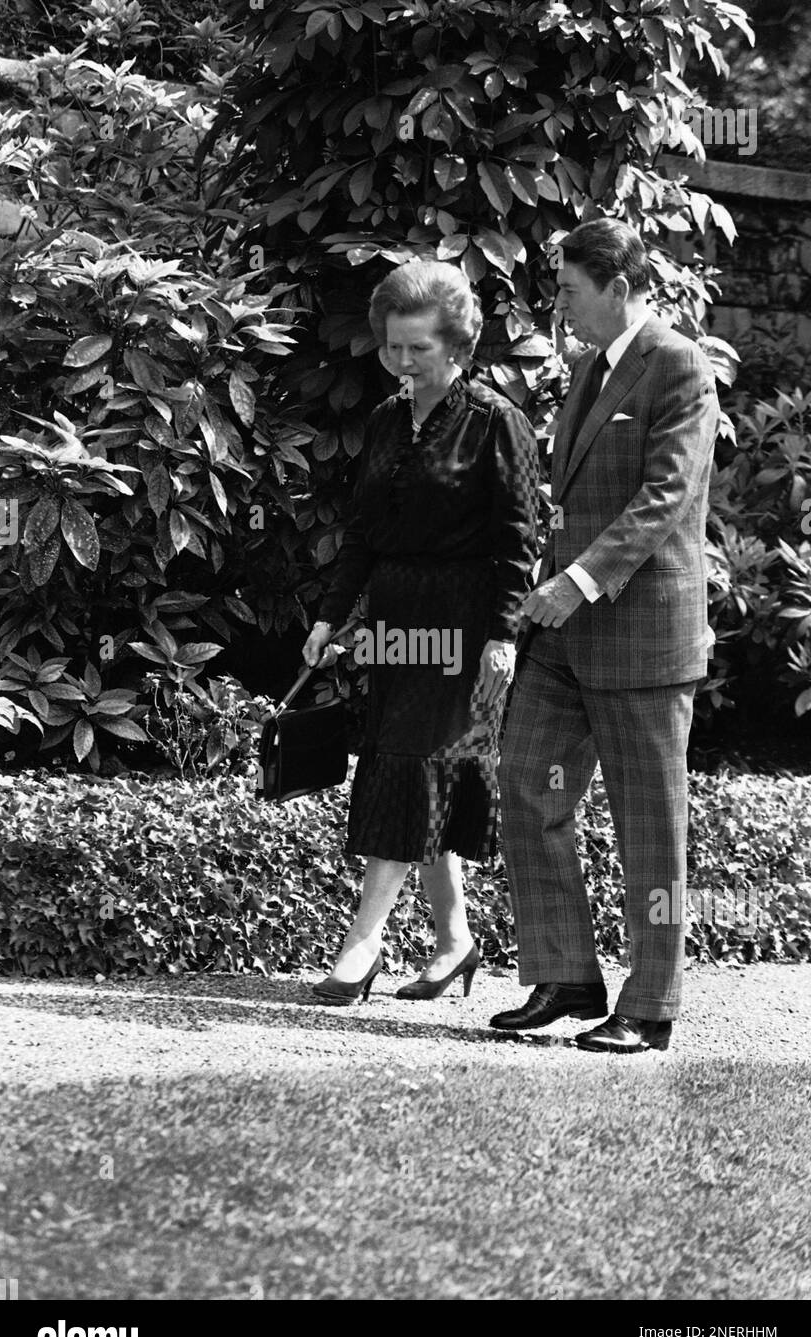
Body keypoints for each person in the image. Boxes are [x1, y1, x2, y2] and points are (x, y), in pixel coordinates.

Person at [492, 217, 719, 1053]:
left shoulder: (679, 365)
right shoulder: (590, 368)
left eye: (568, 291)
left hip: (640, 636)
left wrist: (577, 580)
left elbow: (663, 499)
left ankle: (650, 1005)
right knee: (523, 784)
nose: (559, 308)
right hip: (562, 634)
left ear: (617, 286)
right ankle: (566, 978)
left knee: (650, 828)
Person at [302, 259, 539, 1004]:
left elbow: (518, 542)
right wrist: (328, 618)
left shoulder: (496, 422)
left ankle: (361, 942)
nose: (401, 362)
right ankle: (455, 941)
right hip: (394, 626)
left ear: (458, 347)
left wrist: (503, 637)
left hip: (466, 630)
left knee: (411, 762)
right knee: (411, 765)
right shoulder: (381, 422)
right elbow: (362, 536)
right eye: (392, 347)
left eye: (419, 349)